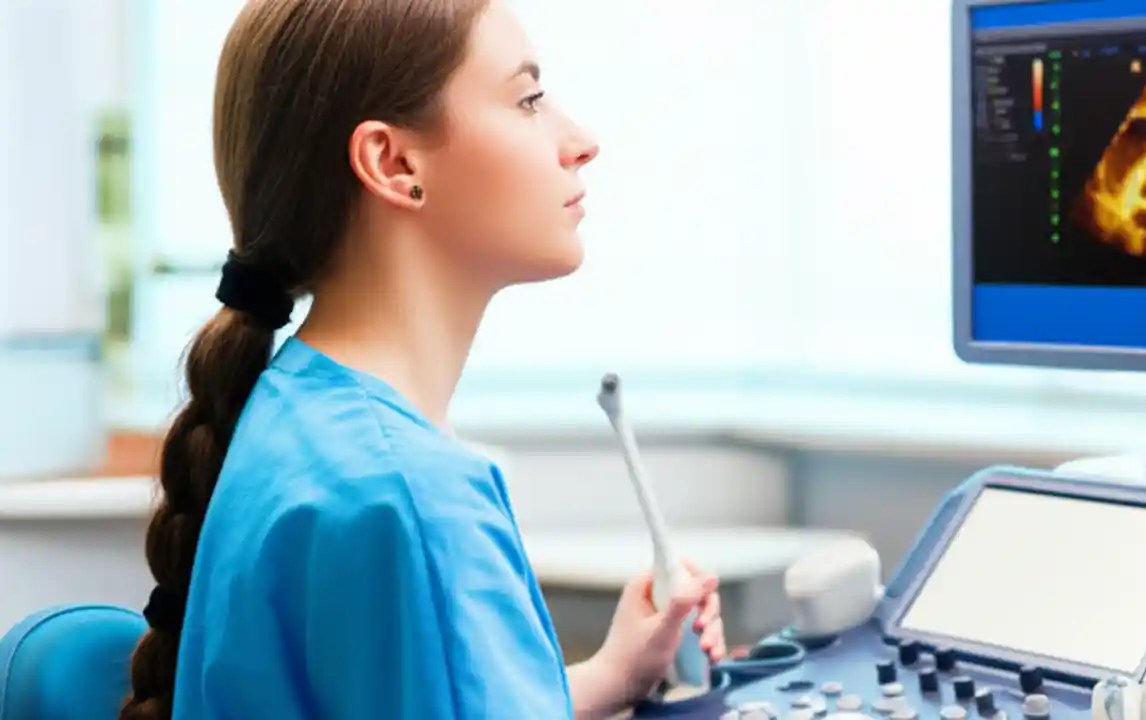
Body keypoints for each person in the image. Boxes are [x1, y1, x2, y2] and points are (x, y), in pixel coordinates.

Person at [118, 1, 726, 718]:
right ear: (394, 163)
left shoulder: (299, 416)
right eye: (528, 100)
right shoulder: (405, 493)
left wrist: (613, 674)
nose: (580, 142)